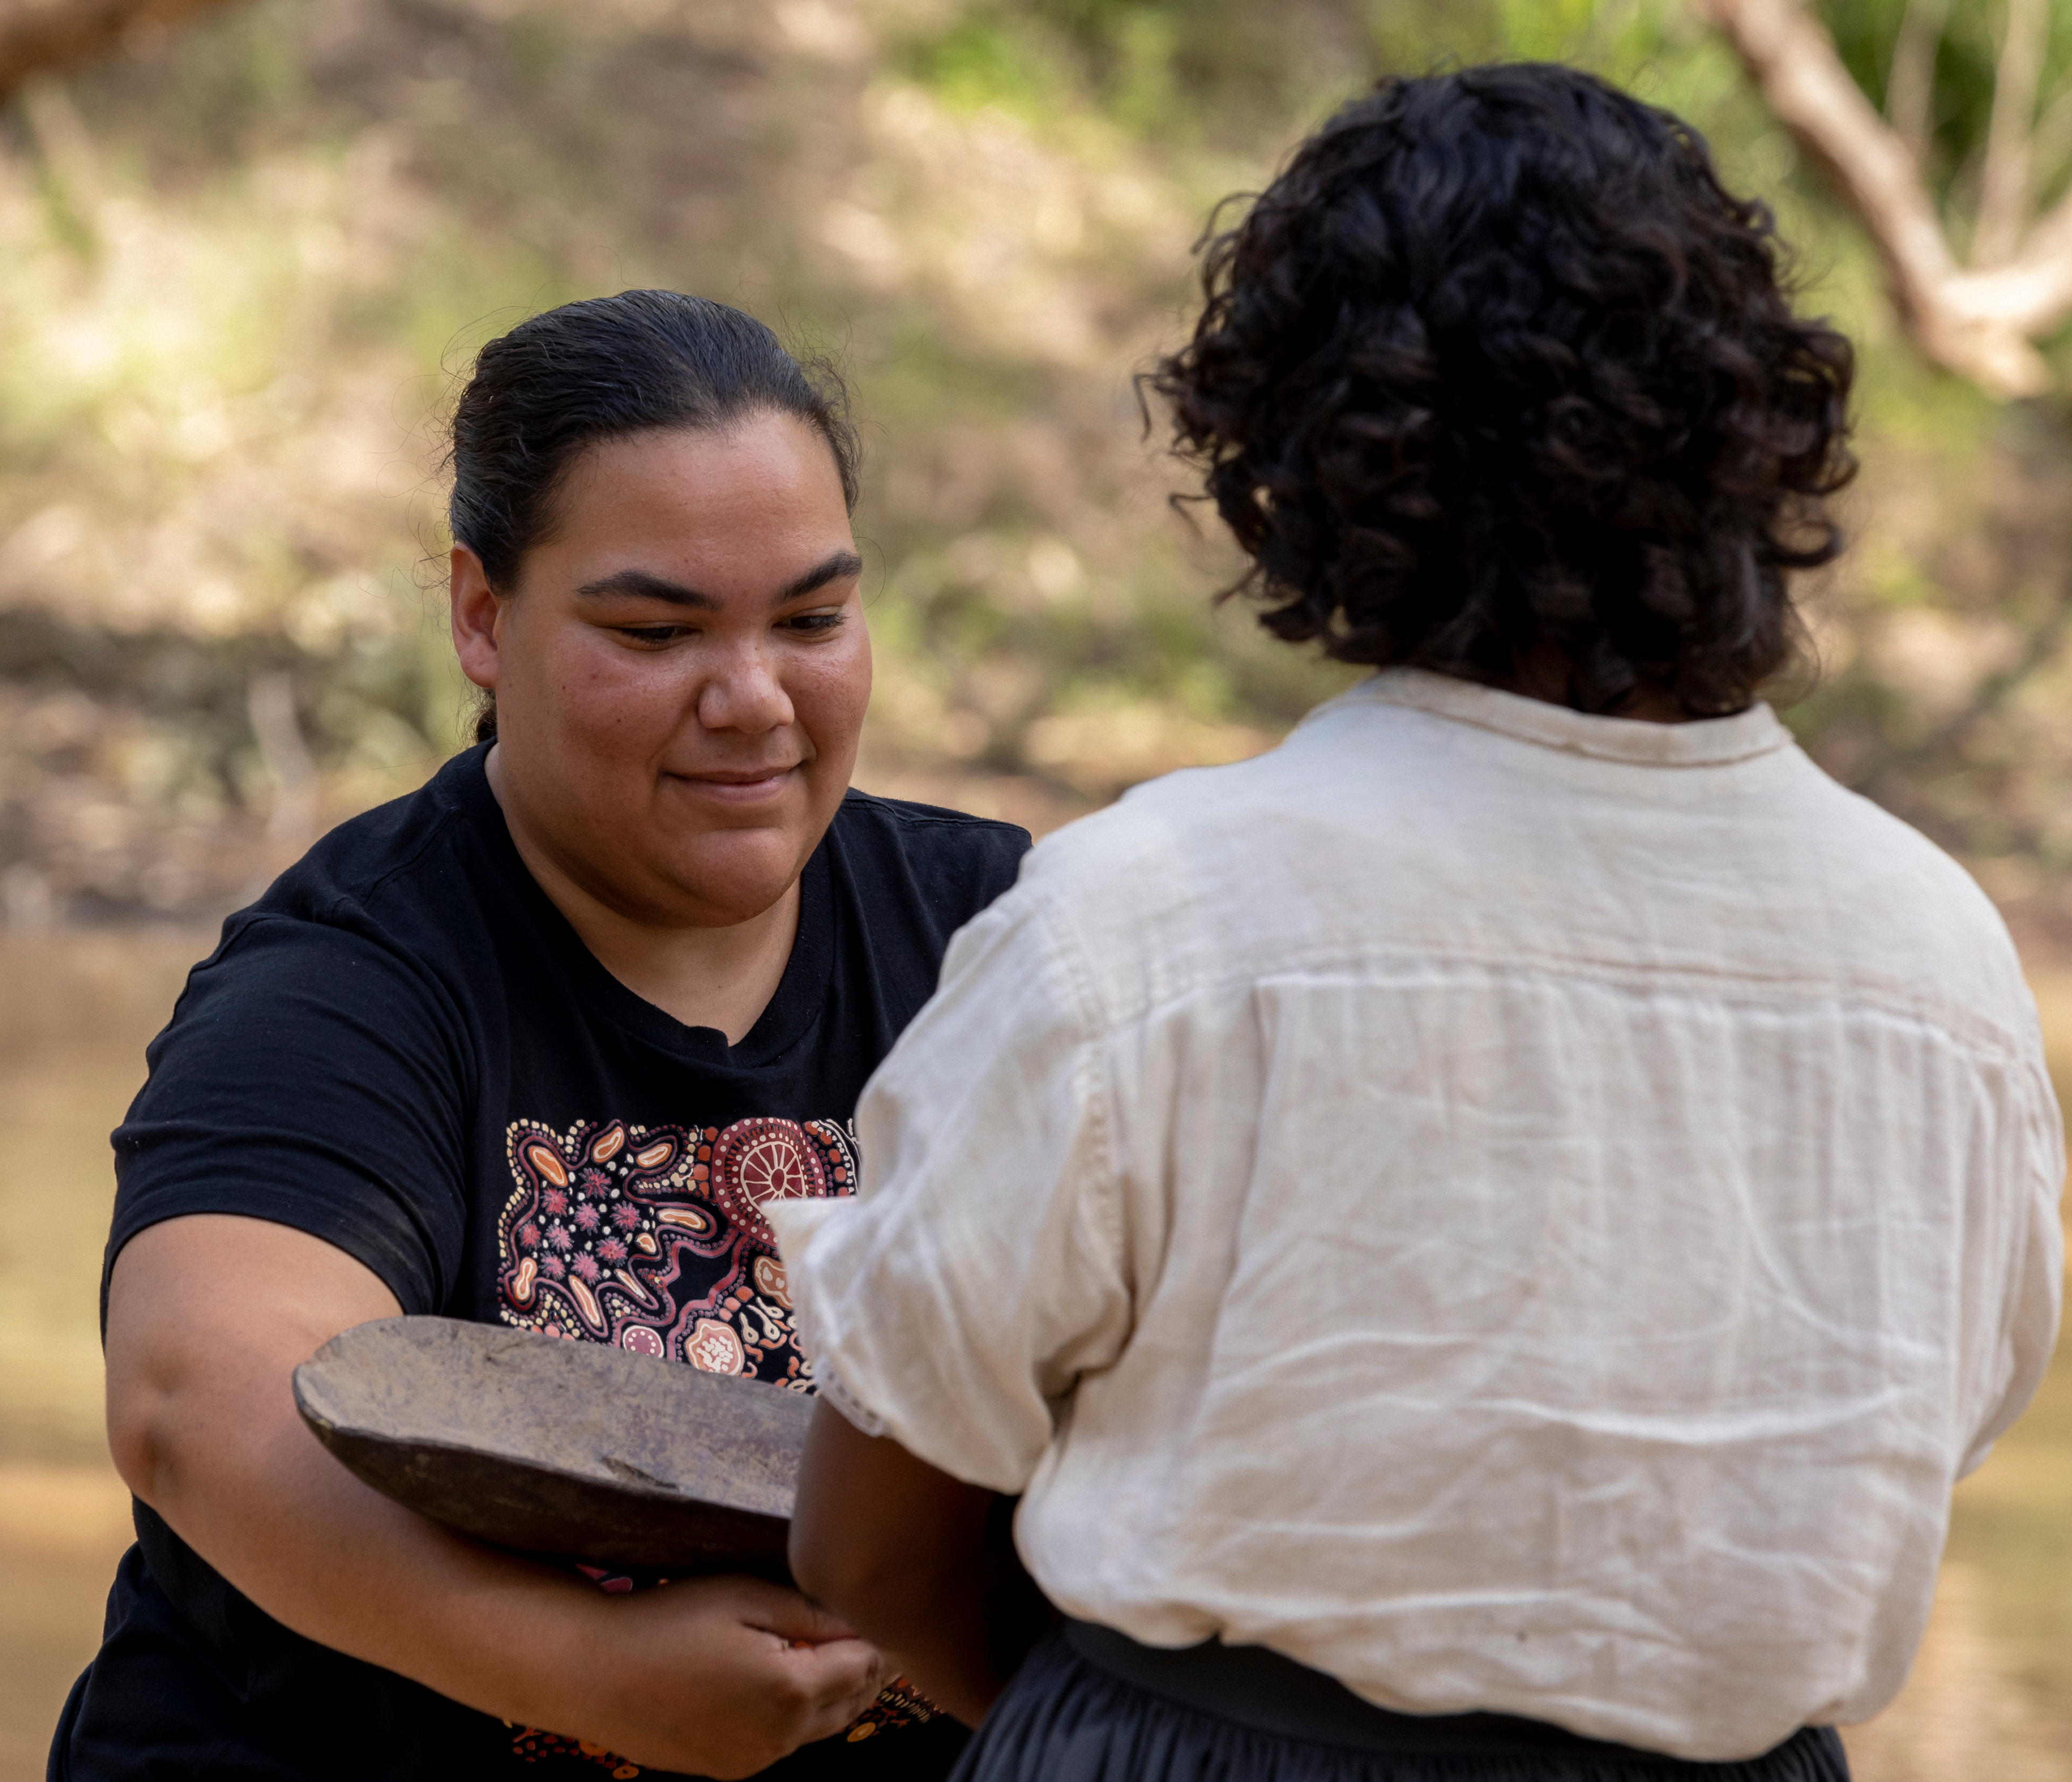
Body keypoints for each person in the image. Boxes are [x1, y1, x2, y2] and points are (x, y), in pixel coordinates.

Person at [772, 63, 2065, 1782]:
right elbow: (1912, 1444)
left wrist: (1113, 1732)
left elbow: (870, 1542)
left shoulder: (1146, 925)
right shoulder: (1945, 970)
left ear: (1301, 460)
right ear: (1751, 445)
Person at [47, 289, 1026, 1782]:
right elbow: (194, 1402)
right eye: (656, 632)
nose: (755, 699)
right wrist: (592, 1675)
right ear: (482, 618)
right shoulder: (349, 984)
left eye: (813, 620)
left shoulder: (1003, 941)